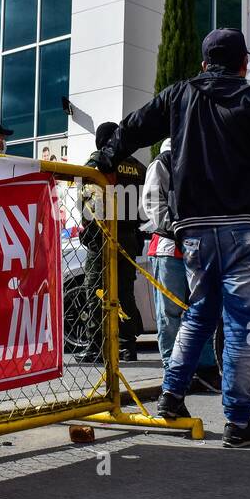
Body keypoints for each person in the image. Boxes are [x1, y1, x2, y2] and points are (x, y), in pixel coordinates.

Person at [96, 28, 250, 447]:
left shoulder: (179, 94)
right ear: (242, 63)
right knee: (241, 324)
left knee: (198, 312)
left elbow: (133, 128)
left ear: (203, 64)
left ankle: (171, 397)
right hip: (248, 226)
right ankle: (238, 421)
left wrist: (104, 158)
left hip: (194, 229)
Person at [141, 138, 217, 377]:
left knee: (201, 309)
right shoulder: (164, 161)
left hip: (196, 248)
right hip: (170, 248)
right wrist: (178, 229)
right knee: (170, 312)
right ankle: (174, 366)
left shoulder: (201, 162)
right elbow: (153, 203)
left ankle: (204, 367)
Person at [83, 122, 145, 362]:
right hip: (129, 236)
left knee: (95, 290)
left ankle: (96, 346)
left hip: (103, 235)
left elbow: (87, 195)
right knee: (125, 293)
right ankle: (127, 346)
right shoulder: (137, 166)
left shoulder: (98, 160)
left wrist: (88, 230)